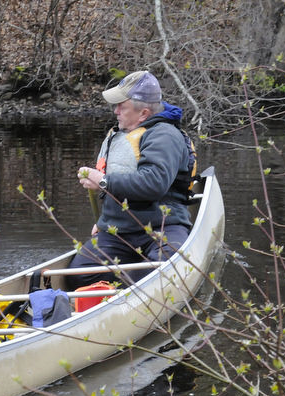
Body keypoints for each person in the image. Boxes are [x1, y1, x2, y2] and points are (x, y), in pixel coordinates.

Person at [68, 70, 196, 290]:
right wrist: (104, 221)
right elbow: (117, 181)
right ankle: (124, 286)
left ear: (143, 113)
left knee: (161, 273)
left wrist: (103, 181)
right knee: (77, 277)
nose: (115, 111)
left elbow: (154, 183)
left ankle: (131, 285)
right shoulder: (120, 133)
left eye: (121, 106)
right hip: (119, 231)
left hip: (162, 227)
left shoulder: (165, 136)